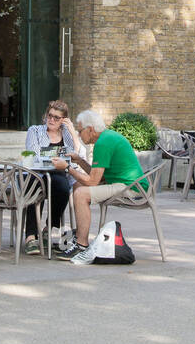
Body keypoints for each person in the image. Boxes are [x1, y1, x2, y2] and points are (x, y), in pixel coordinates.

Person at [55, 109, 145, 263]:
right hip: (125, 184)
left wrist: (66, 168)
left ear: (90, 129)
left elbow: (92, 182)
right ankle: (79, 236)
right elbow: (98, 176)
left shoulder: (103, 143)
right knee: (78, 186)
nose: (78, 134)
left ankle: (82, 244)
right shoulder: (106, 137)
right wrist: (80, 161)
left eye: (79, 130)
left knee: (81, 193)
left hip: (131, 188)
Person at [20, 100, 76, 255]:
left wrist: (73, 133)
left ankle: (48, 229)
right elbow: (34, 153)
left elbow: (77, 157)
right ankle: (31, 236)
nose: (51, 120)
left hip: (58, 174)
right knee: (32, 184)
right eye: (49, 116)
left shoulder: (67, 134)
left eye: (56, 118)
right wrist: (60, 157)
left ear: (63, 120)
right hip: (36, 172)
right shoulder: (35, 130)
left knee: (64, 188)